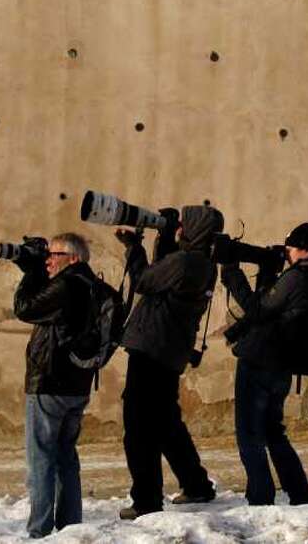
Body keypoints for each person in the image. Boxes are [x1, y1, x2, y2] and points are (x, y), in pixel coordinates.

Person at [115, 205, 224, 520]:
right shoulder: (203, 263)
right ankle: (196, 484)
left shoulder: (184, 261)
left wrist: (135, 248)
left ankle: (146, 500)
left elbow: (145, 281)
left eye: (182, 225)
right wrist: (164, 239)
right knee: (166, 423)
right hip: (170, 352)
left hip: (151, 349)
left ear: (192, 231)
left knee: (138, 427)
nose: (178, 228)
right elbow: (165, 275)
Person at [219, 221, 308, 507]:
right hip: (284, 364)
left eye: (290, 248)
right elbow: (276, 307)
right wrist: (270, 275)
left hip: (261, 360)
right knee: (273, 432)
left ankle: (261, 500)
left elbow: (258, 310)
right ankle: (299, 494)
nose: (287, 254)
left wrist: (231, 272)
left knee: (250, 434)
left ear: (305, 250)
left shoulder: (298, 278)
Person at [12, 233, 97, 538]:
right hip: (78, 384)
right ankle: (70, 526)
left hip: (50, 383)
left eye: (54, 254)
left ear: (73, 258)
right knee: (65, 457)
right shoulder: (92, 285)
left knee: (41, 459)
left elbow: (25, 308)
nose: (48, 258)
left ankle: (40, 530)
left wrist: (31, 272)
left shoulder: (66, 284)